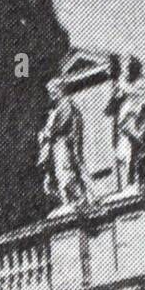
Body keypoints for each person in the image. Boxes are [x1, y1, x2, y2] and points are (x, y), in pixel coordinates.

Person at [106, 55, 145, 188]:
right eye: (124, 68)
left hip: (141, 124)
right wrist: (116, 98)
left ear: (135, 69)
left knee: (142, 151)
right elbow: (109, 110)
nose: (126, 71)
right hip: (126, 125)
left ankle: (143, 177)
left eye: (128, 67)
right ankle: (131, 180)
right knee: (129, 151)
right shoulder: (121, 86)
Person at [38, 78, 88, 208]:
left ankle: (78, 200)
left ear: (60, 90)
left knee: (66, 174)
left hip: (63, 145)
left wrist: (46, 133)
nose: (51, 95)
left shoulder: (66, 105)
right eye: (50, 92)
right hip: (57, 146)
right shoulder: (58, 108)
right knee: (59, 176)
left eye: (53, 91)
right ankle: (68, 202)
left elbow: (59, 126)